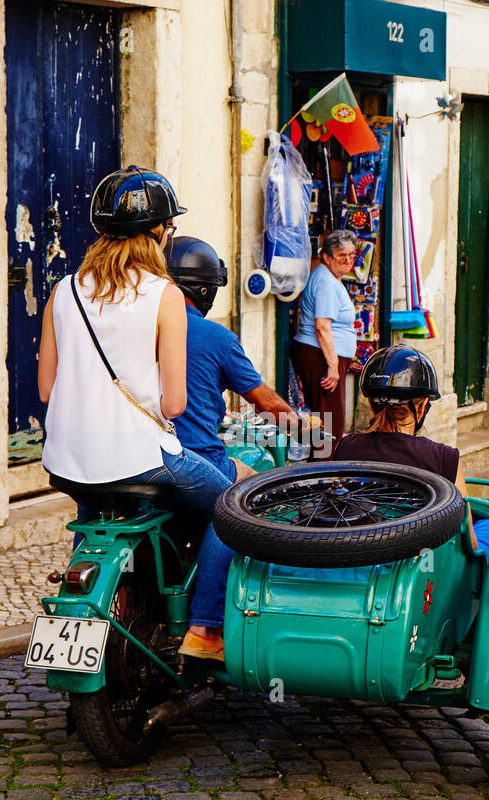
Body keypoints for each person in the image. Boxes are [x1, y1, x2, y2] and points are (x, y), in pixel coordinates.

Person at [37, 165, 230, 663]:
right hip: (142, 458)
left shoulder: (64, 291)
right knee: (231, 508)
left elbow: (45, 389)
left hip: (65, 462)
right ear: (161, 233)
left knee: (96, 514)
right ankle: (206, 630)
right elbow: (174, 405)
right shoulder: (166, 295)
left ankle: (89, 620)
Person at [332, 345, 489, 557]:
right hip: (421, 557)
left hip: (361, 548)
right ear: (422, 407)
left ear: (371, 403)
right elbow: (468, 540)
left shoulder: (346, 446)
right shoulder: (444, 457)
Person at [165, 235, 304, 480]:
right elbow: (266, 404)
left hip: (139, 459)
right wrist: (301, 427)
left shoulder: (134, 327)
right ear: (205, 290)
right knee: (257, 484)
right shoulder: (216, 337)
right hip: (196, 461)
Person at [291, 229, 359, 439]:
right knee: (330, 425)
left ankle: (325, 468)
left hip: (322, 354)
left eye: (351, 254)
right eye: (341, 255)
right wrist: (333, 366)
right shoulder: (326, 283)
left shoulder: (329, 277)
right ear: (328, 257)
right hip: (321, 356)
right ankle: (327, 471)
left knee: (326, 421)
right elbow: (322, 326)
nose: (348, 260)